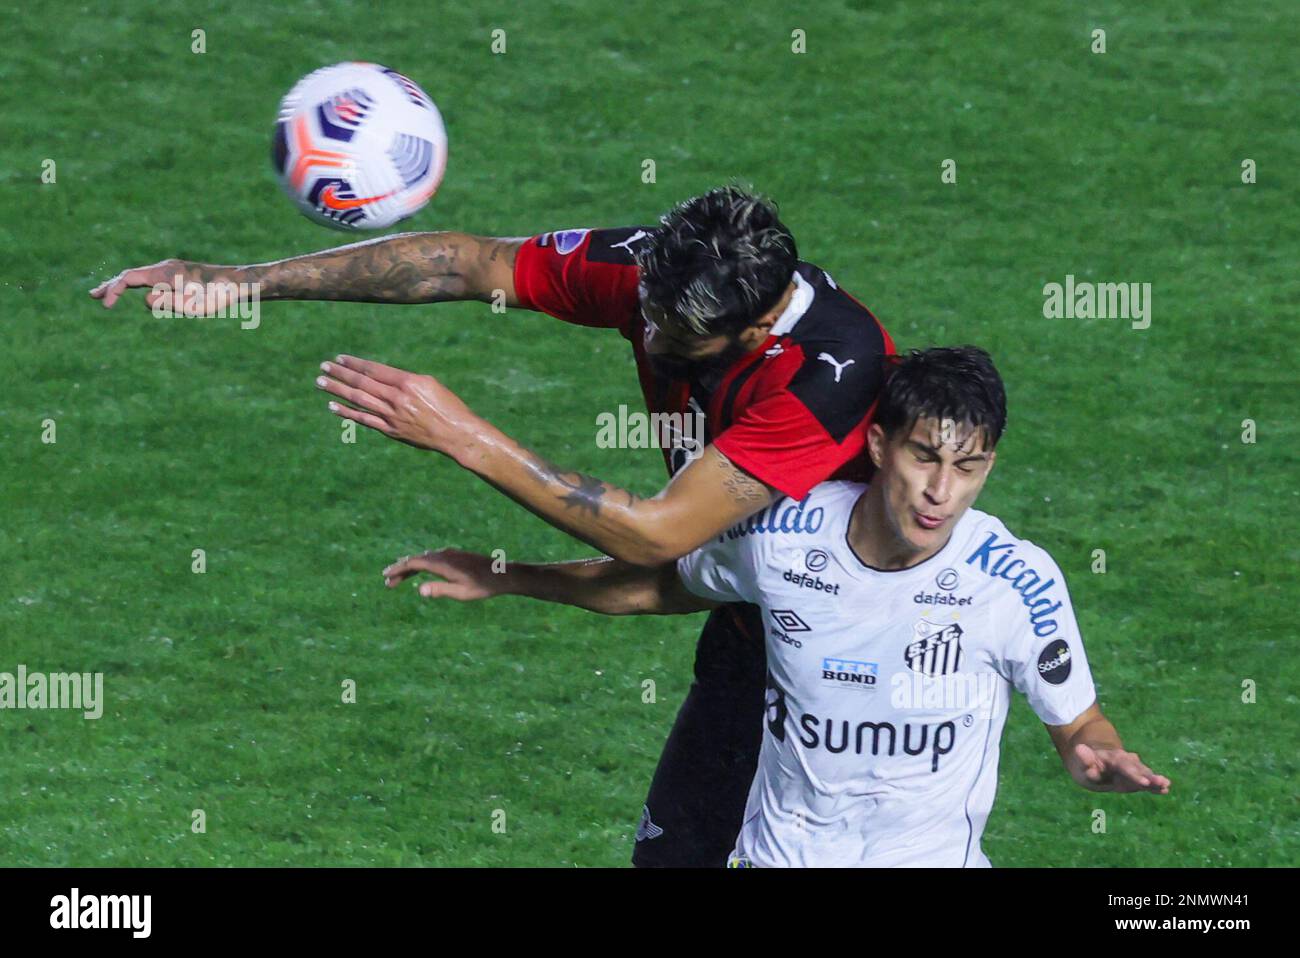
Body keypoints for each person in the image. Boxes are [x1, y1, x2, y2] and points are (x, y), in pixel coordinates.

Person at [90, 186, 895, 866]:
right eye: (644, 311)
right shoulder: (665, 274)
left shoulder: (831, 372)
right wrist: (243, 281)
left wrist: (462, 436)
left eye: (673, 335)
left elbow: (660, 536)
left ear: (751, 332)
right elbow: (468, 263)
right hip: (745, 617)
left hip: (855, 660)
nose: (647, 335)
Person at [383, 346, 1171, 866]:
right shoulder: (783, 537)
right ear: (878, 446)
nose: (942, 491)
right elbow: (660, 582)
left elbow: (1077, 722)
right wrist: (510, 575)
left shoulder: (1014, 580)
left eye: (969, 468)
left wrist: (1093, 756)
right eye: (925, 457)